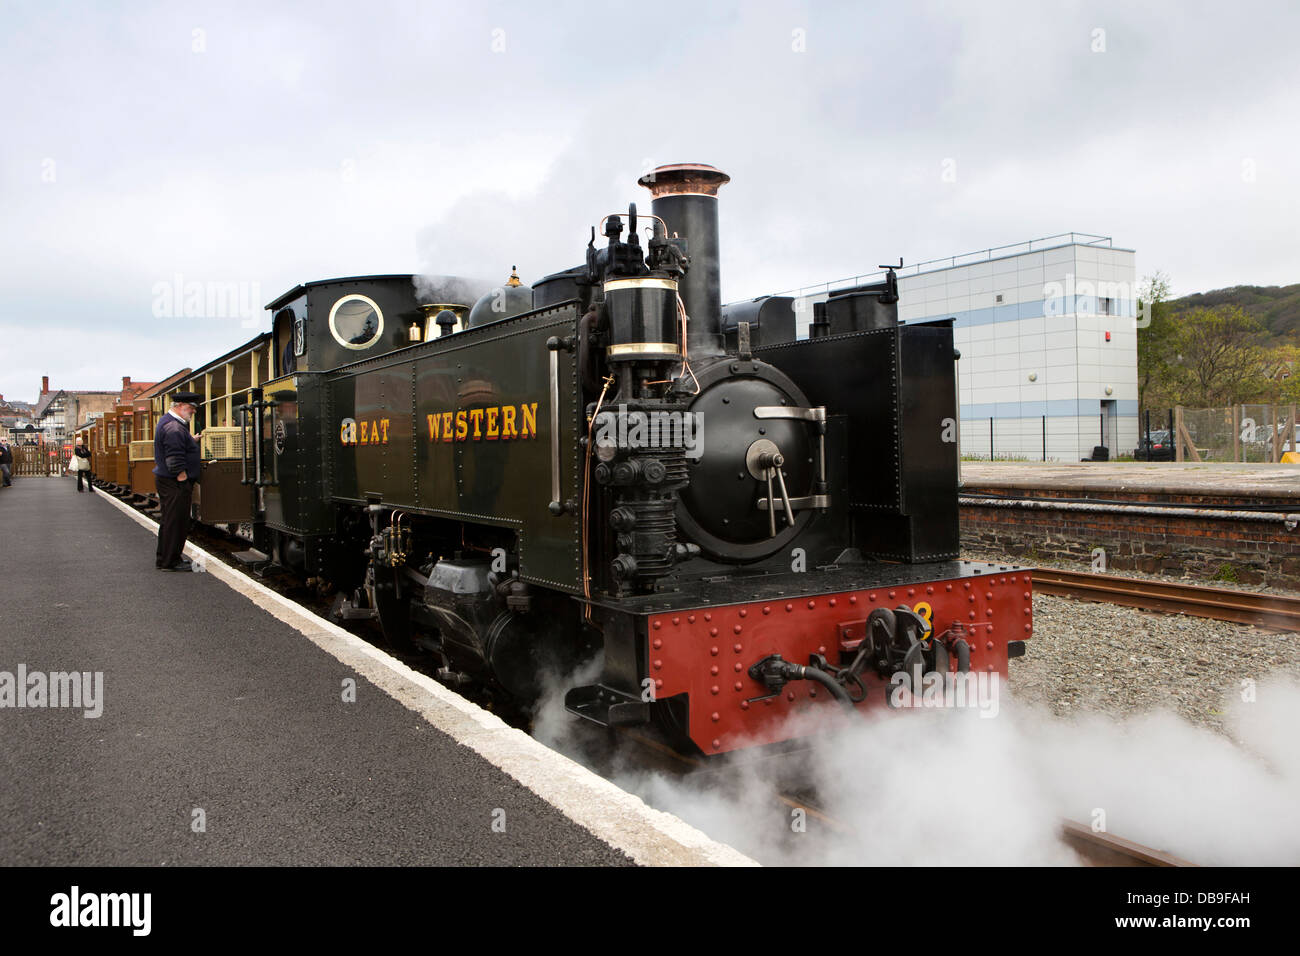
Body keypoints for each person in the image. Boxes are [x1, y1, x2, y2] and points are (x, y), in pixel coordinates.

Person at [153, 393, 202, 571]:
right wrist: (182, 478)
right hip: (175, 481)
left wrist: (191, 440)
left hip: (169, 480)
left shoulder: (170, 423)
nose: (193, 411)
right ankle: (170, 561)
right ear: (180, 405)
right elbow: (174, 456)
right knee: (176, 521)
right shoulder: (174, 426)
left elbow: (176, 446)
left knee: (170, 520)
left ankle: (166, 558)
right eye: (191, 408)